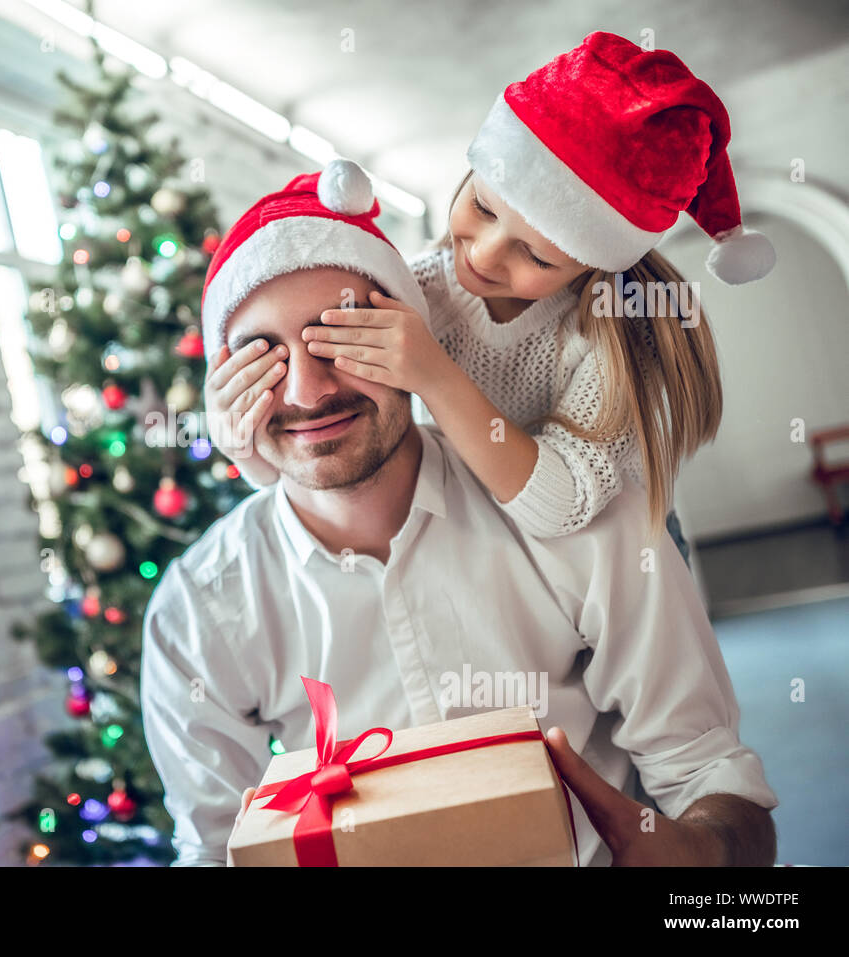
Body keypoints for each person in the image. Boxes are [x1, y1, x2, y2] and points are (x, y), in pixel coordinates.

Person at [140, 135, 778, 867]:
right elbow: (214, 845)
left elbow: (711, 775)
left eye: (344, 335)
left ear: (412, 330)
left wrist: (703, 852)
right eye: (265, 357)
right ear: (226, 380)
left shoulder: (590, 524)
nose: (307, 392)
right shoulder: (198, 608)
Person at [204, 32, 777, 569]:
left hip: (616, 559)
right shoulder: (415, 291)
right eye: (482, 208)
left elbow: (565, 507)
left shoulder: (618, 330)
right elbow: (342, 452)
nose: (483, 254)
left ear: (595, 262)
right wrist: (245, 446)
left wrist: (435, 374)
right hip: (490, 550)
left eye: (537, 257)